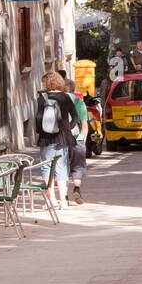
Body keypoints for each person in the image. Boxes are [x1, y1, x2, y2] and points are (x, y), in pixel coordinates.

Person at [34, 72, 80, 211]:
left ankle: (51, 200)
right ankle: (63, 201)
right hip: (62, 138)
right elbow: (75, 117)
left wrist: (40, 131)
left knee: (47, 168)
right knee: (61, 168)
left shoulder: (43, 98)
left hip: (46, 139)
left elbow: (38, 118)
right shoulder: (65, 97)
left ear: (47, 83)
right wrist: (67, 128)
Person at [57, 70, 91, 205]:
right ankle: (76, 188)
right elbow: (84, 125)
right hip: (77, 138)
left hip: (62, 139)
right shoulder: (80, 103)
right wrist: (82, 140)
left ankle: (63, 195)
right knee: (77, 166)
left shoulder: (58, 102)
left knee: (62, 166)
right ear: (73, 89)